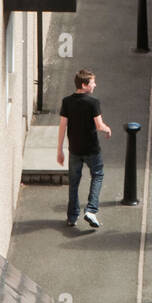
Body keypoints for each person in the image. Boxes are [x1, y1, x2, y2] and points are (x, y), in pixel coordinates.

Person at [57, 68, 112, 228]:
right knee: (98, 175)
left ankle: (72, 217)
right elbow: (99, 125)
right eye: (93, 82)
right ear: (84, 85)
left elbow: (62, 126)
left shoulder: (67, 102)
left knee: (73, 183)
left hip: (74, 149)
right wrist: (107, 129)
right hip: (92, 149)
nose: (95, 85)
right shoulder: (93, 103)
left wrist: (60, 149)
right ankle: (91, 210)